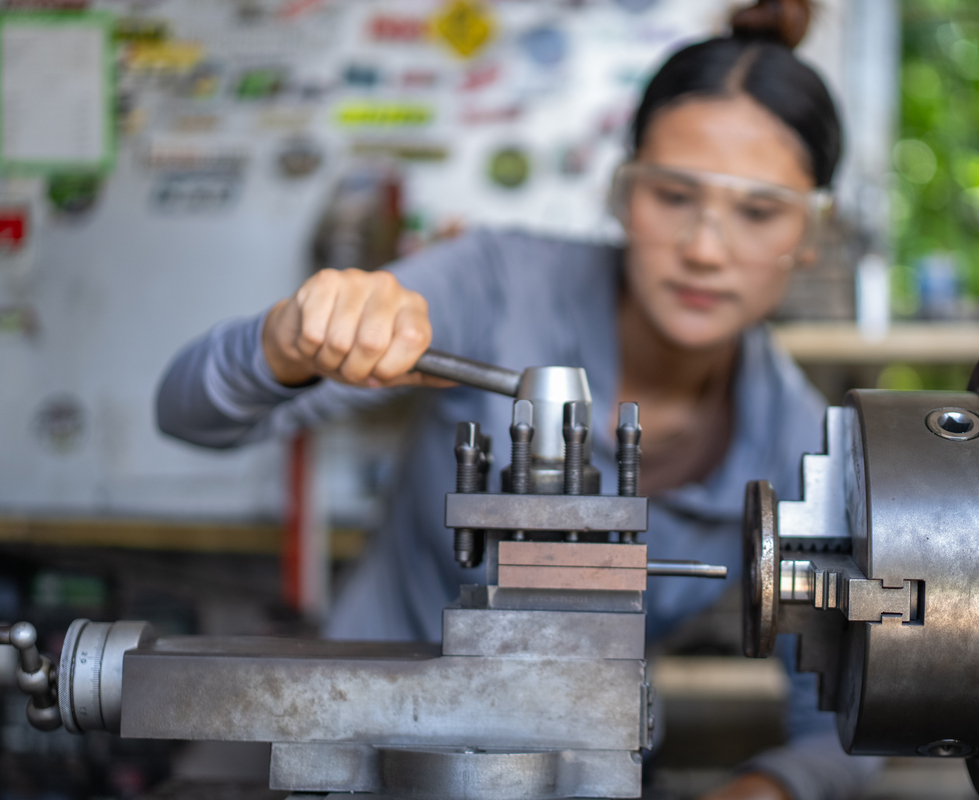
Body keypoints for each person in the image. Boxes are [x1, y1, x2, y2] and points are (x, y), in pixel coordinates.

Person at [157, 1, 882, 797]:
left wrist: (769, 789)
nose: (706, 249)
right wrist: (285, 344)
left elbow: (843, 722)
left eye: (757, 211)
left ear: (813, 232)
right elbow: (190, 417)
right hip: (357, 752)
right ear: (620, 191)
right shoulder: (491, 284)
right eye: (673, 195)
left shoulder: (801, 445)